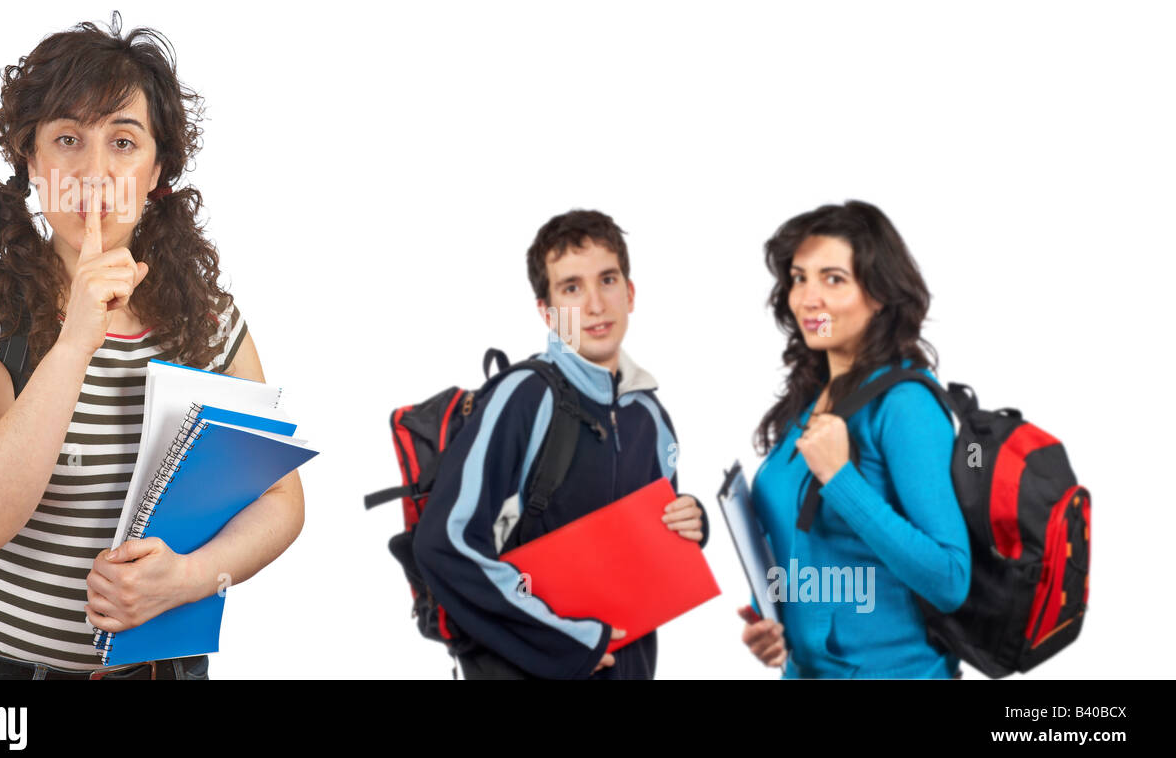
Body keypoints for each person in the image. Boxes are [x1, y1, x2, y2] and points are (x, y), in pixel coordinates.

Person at [0, 13, 304, 680]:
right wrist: (74, 342)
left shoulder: (208, 319)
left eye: (123, 142)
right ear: (31, 161)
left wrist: (187, 578)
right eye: (67, 139)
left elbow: (281, 501)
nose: (94, 172)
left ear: (158, 170)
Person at [412, 208, 708, 680]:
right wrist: (564, 641)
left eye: (607, 280)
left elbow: (648, 549)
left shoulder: (649, 414)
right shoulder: (525, 396)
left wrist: (692, 522)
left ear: (630, 293)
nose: (595, 305)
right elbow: (444, 543)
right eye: (571, 288)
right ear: (546, 311)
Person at [740, 200, 970, 679]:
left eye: (834, 279)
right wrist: (773, 619)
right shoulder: (810, 399)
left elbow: (950, 579)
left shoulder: (905, 406)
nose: (809, 299)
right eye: (799, 278)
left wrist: (841, 479)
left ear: (880, 294)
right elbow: (810, 549)